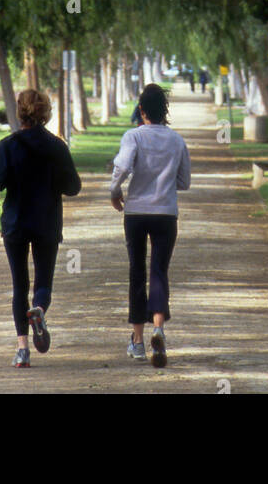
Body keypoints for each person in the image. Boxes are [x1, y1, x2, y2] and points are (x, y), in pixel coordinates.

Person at [0, 88, 81, 367]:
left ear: (20, 111)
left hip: (15, 223)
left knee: (19, 285)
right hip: (47, 222)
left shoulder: (7, 146)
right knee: (43, 282)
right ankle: (38, 309)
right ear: (45, 112)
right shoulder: (57, 146)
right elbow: (73, 187)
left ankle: (22, 349)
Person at [110, 83, 191, 368]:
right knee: (159, 271)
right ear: (164, 111)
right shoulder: (177, 141)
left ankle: (138, 341)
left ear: (142, 110)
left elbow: (122, 166)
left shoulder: (133, 136)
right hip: (165, 214)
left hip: (136, 213)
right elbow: (184, 182)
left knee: (136, 271)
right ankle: (159, 328)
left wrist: (114, 190)